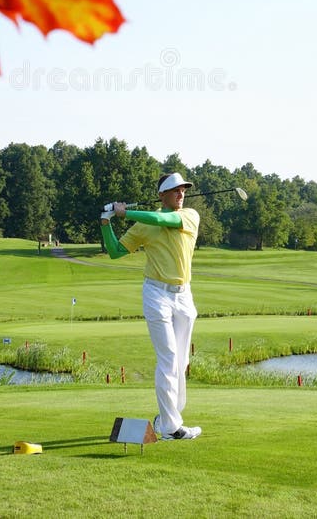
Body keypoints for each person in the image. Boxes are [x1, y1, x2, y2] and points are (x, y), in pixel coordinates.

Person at [100, 171, 201, 440]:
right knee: (168, 358)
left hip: (184, 295)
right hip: (156, 294)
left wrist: (124, 213)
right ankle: (171, 428)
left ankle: (168, 418)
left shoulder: (189, 215)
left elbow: (162, 219)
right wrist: (105, 222)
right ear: (162, 195)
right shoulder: (144, 226)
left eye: (183, 190)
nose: (181, 194)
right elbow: (115, 251)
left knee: (181, 361)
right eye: (175, 190)